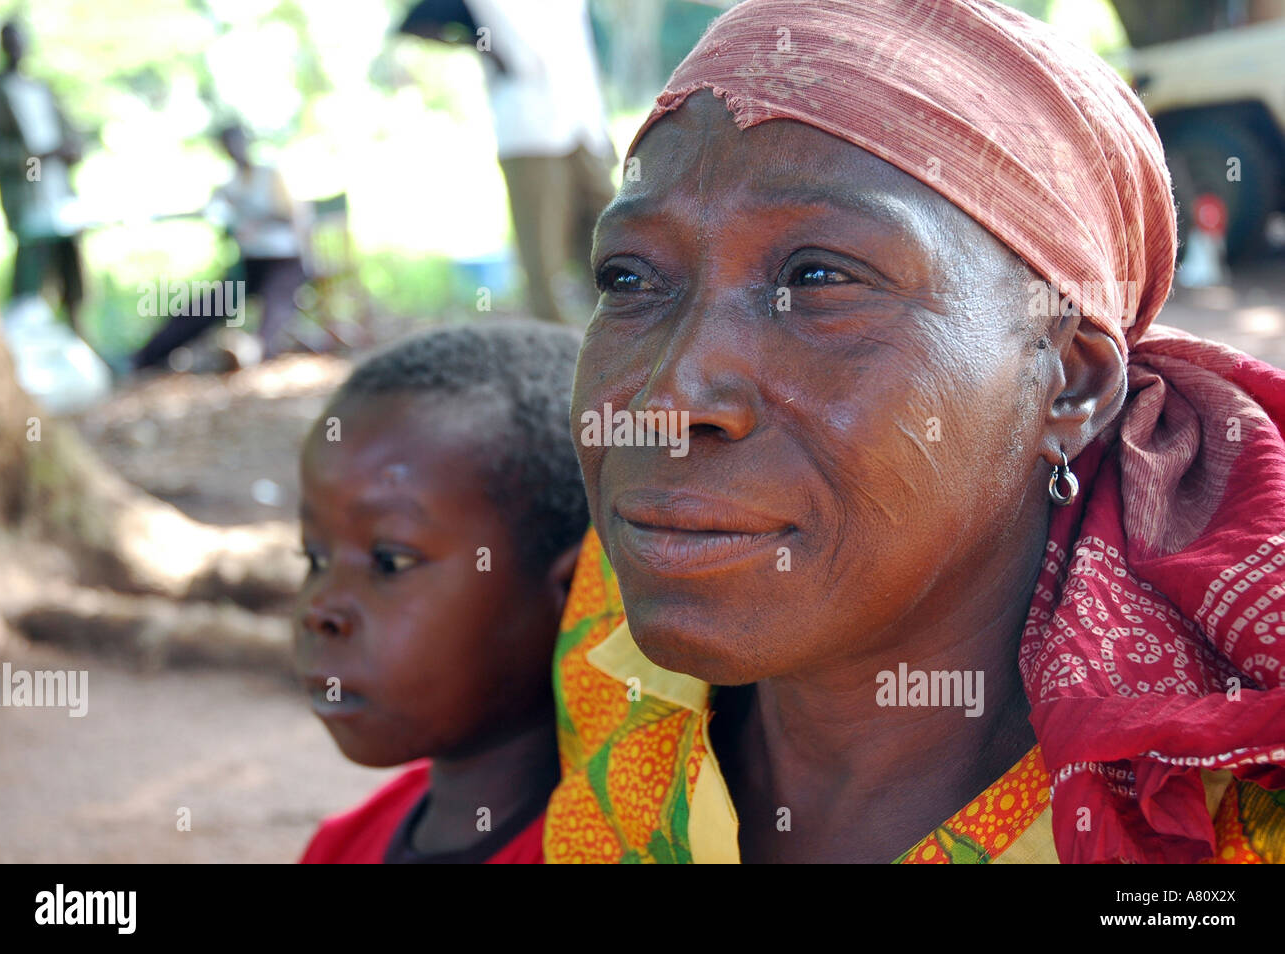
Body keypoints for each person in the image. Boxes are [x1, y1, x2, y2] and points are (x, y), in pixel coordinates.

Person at [545, 0, 1285, 864]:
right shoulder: (622, 604)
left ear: (1069, 384)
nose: (667, 400)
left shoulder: (1219, 832)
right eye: (629, 278)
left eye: (818, 278)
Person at [296, 321, 588, 863]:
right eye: (314, 557)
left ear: (571, 590)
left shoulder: (610, 851)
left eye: (390, 561)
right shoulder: (337, 848)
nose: (320, 609)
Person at [398, 0, 616, 325]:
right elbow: (415, 23)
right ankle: (553, 351)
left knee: (612, 243)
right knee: (544, 260)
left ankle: (618, 341)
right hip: (530, 131)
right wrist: (480, 46)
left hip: (584, 127)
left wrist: (600, 128)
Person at [131, 124, 306, 369]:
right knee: (207, 306)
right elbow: (208, 212)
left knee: (275, 309)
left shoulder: (269, 175)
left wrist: (256, 219)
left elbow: (293, 215)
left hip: (285, 261)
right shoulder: (229, 186)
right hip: (251, 264)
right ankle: (146, 356)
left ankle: (257, 353)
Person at [0, 19, 86, 334]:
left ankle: (76, 334)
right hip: (31, 183)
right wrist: (36, 157)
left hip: (58, 188)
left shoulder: (40, 89)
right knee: (32, 266)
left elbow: (68, 130)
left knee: (69, 265)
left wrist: (71, 149)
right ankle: (27, 339)